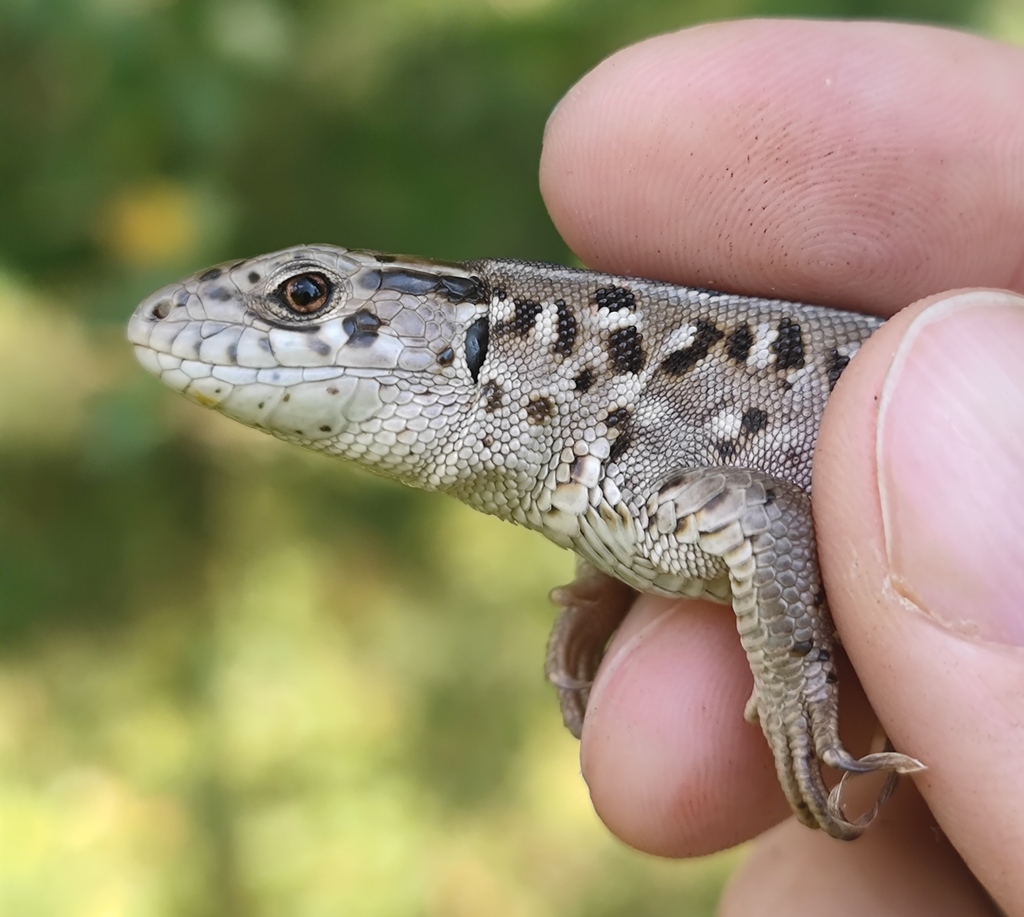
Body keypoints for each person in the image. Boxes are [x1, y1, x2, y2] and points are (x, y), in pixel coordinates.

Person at [539, 18, 1024, 916]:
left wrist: (795, 685)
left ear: (477, 338)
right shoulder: (583, 436)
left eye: (303, 299)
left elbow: (757, 522)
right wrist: (604, 581)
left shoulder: (595, 422)